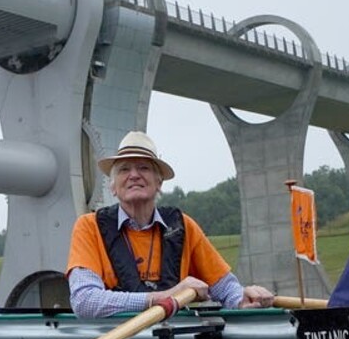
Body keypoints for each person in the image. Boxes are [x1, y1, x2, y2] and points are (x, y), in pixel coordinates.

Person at [67, 131, 274, 318]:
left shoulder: (183, 226)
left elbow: (226, 288)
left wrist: (242, 299)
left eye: (144, 167)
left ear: (159, 183)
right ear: (113, 187)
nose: (134, 175)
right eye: (124, 169)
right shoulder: (89, 227)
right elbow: (84, 301)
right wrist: (162, 297)